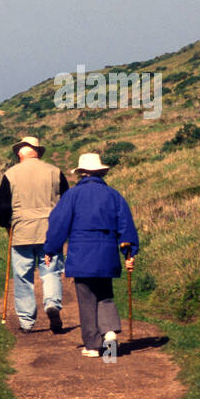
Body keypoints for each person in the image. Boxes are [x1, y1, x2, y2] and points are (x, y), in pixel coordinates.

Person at [43, 153, 139, 357]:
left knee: (86, 299)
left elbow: (58, 224)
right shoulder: (114, 195)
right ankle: (110, 337)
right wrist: (129, 252)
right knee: (104, 294)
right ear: (101, 172)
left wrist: (50, 248)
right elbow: (126, 227)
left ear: (81, 173)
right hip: (107, 254)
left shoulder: (72, 196)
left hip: (81, 254)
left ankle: (94, 346)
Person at [0, 136, 69, 332]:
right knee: (50, 270)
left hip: (21, 231)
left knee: (22, 276)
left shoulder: (10, 174)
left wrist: (6, 225)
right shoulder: (55, 171)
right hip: (49, 231)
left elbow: (1, 206)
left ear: (20, 153)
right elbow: (67, 202)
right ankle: (52, 303)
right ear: (38, 152)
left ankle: (26, 322)